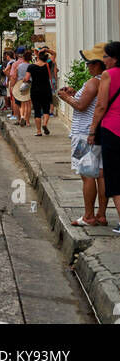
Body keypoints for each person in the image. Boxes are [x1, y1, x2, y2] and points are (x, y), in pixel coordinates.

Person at [58, 45, 107, 227]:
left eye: (89, 63)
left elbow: (81, 106)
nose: (87, 66)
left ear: (97, 64)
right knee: (101, 174)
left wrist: (65, 97)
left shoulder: (94, 82)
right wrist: (75, 94)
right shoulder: (107, 80)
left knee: (87, 175)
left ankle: (88, 216)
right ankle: (101, 214)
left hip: (84, 133)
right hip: (98, 131)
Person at [87, 40, 120, 234]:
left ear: (114, 59)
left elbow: (100, 105)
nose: (104, 60)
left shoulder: (109, 75)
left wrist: (92, 130)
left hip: (113, 129)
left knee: (114, 177)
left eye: (106, 57)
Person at [27, 48, 54, 136]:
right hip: (46, 90)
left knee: (37, 110)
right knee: (46, 109)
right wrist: (46, 49)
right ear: (46, 58)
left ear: (38, 56)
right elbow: (54, 54)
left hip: (35, 90)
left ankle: (38, 131)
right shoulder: (48, 65)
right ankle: (45, 124)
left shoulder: (31, 66)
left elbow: (26, 79)